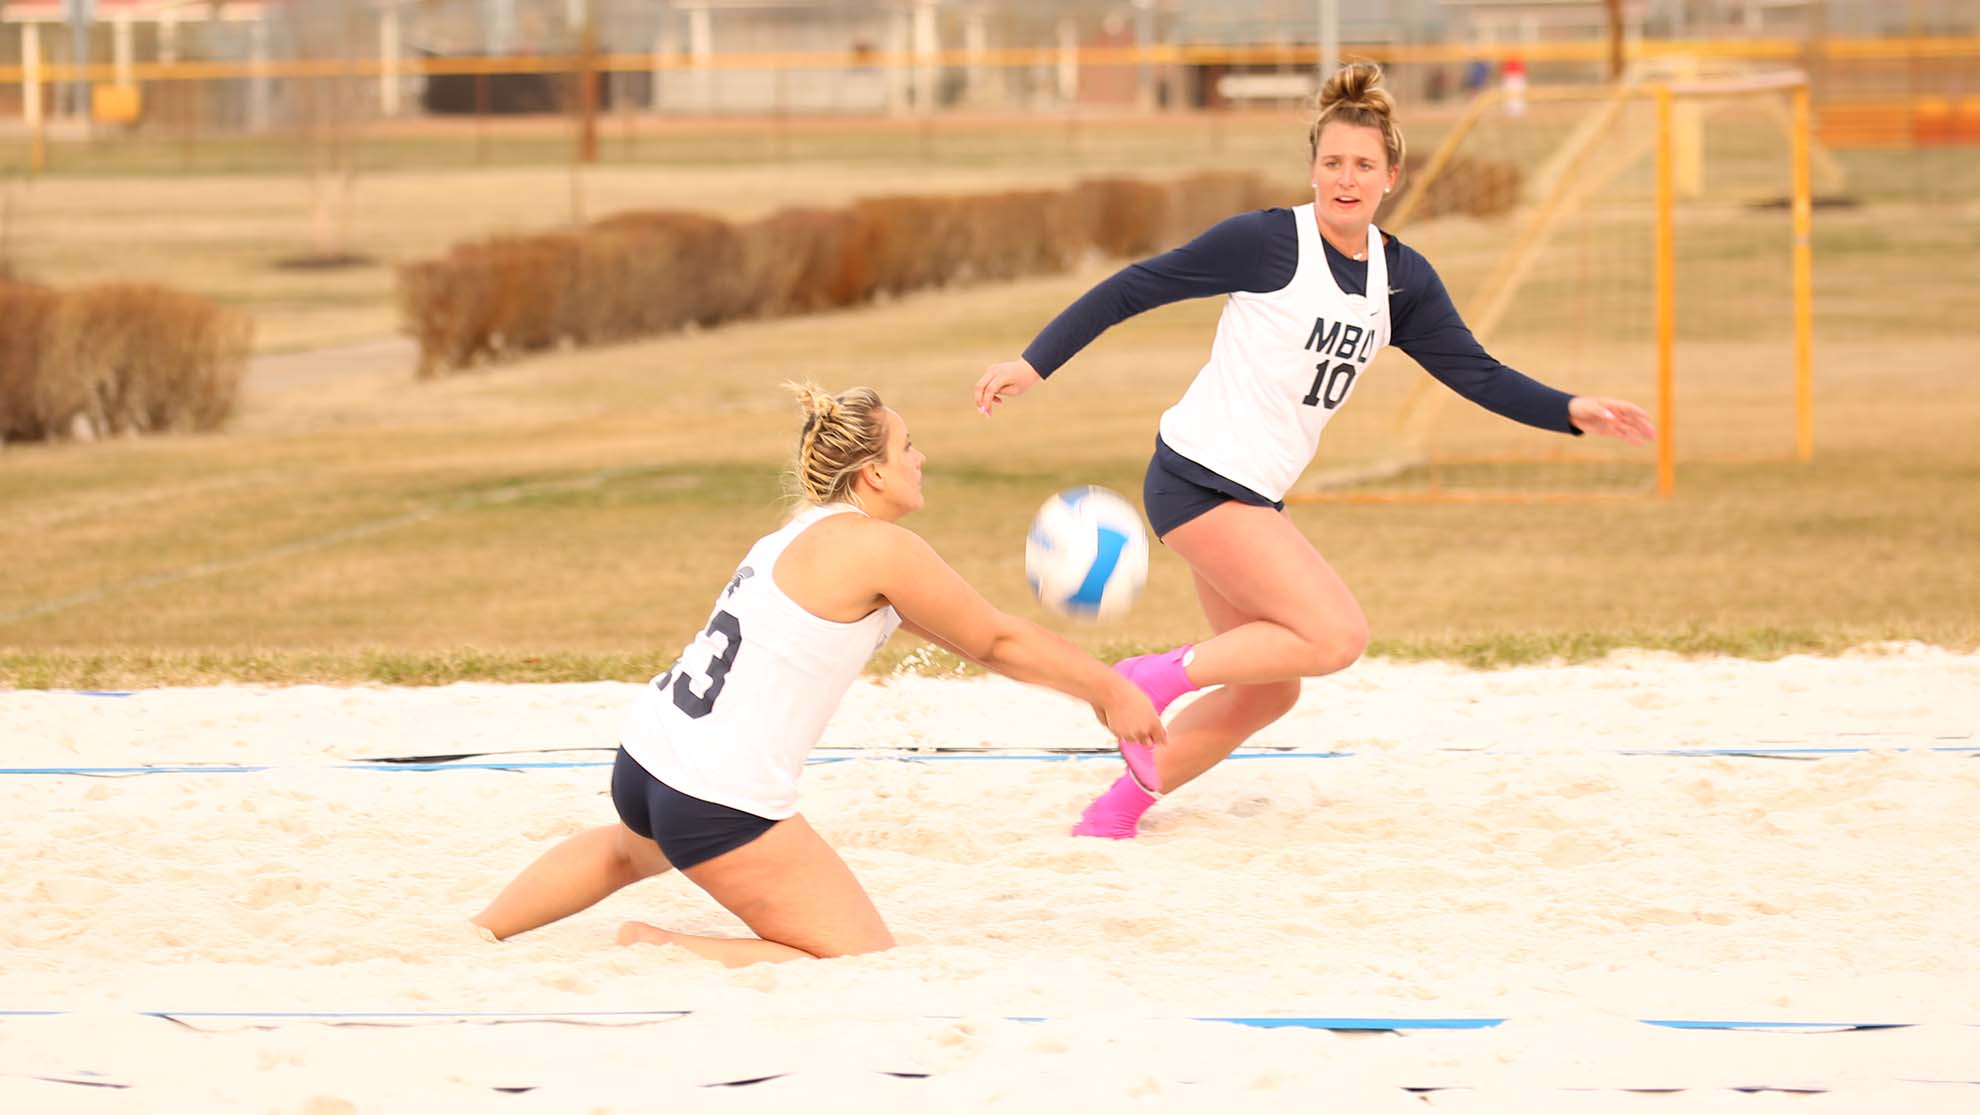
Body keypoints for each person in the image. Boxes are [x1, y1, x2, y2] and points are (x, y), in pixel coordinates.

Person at [972, 61, 1656, 840]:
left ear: (1391, 177)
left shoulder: (1401, 281)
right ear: (1312, 169)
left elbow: (1476, 372)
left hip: (1249, 493)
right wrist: (1034, 362)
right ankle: (1149, 677)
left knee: (1270, 690)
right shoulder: (1266, 241)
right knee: (1336, 636)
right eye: (1332, 162)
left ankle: (1114, 813)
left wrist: (1570, 410)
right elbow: (1135, 285)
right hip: (1198, 480)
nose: (1345, 178)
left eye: (1363, 164)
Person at [472, 382, 1166, 966]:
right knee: (859, 957)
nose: (921, 458)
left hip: (648, 758)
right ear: (874, 474)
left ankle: (482, 930)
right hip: (715, 798)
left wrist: (1092, 688)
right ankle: (656, 945)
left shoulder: (799, 531)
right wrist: (1110, 687)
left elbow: (977, 643)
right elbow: (997, 638)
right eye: (907, 446)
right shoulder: (880, 548)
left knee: (629, 853)